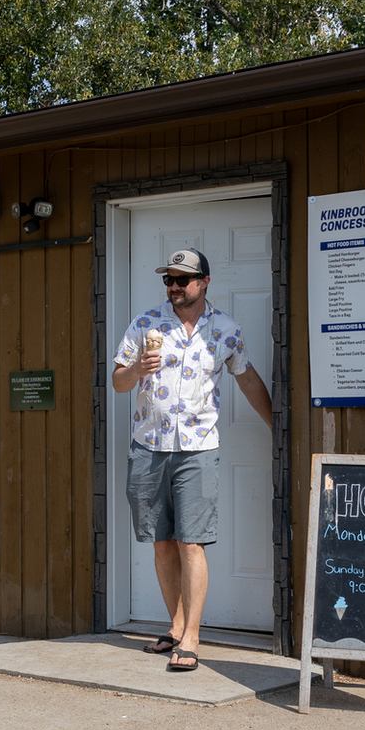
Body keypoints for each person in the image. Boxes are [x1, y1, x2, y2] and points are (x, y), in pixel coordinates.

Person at [109, 248, 272, 672]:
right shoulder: (145, 324)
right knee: (161, 543)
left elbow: (248, 378)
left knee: (191, 542)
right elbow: (117, 383)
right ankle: (176, 625)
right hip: (149, 447)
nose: (175, 287)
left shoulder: (225, 330)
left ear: (204, 282)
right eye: (169, 280)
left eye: (183, 279)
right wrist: (137, 370)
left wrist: (276, 426)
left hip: (198, 448)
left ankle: (193, 637)